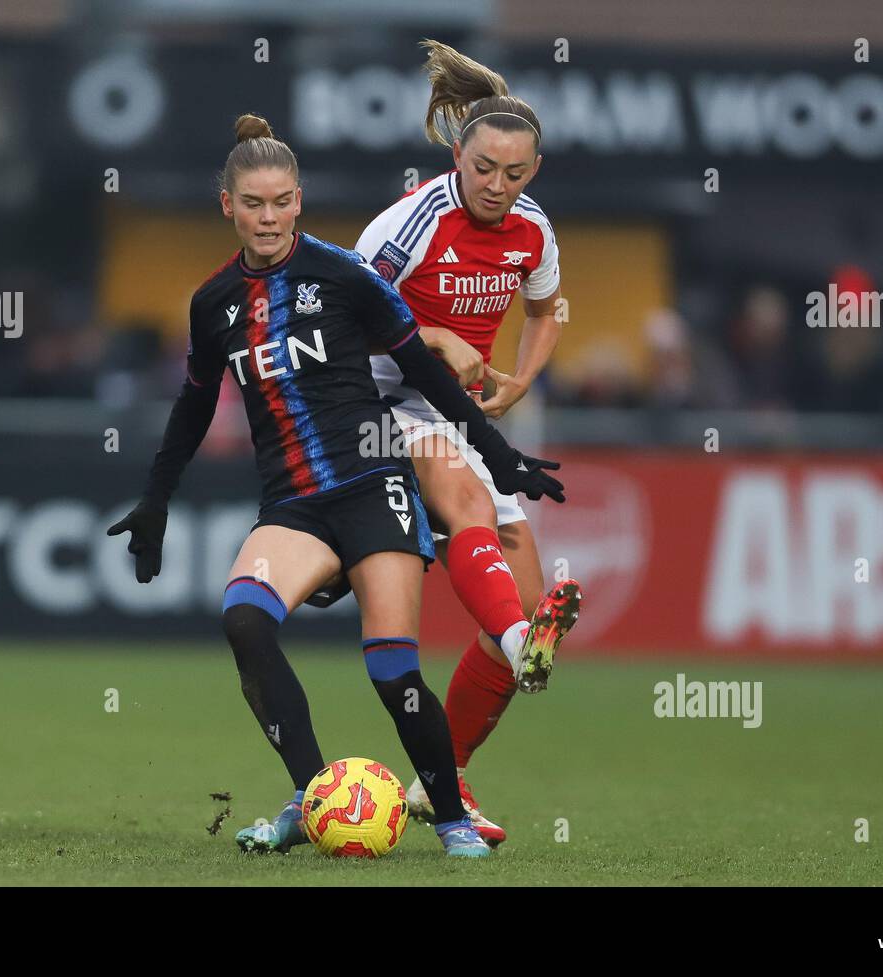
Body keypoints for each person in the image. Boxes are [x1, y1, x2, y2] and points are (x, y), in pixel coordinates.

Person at [107, 114, 567, 858]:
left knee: (392, 668)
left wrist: (501, 455)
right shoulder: (212, 302)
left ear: (299, 200)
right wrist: (157, 498)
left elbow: (422, 373)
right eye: (253, 203)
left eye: (281, 201)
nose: (268, 217)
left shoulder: (345, 276)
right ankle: (310, 795)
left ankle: (451, 816)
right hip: (293, 503)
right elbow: (194, 404)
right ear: (227, 206)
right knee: (244, 620)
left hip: (374, 485)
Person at [352, 40, 583, 844]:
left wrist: (520, 382)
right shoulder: (408, 224)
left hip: (460, 412)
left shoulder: (532, 230)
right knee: (465, 500)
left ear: (533, 171)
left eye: (514, 173)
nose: (497, 185)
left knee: (517, 599)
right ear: (457, 155)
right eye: (484, 168)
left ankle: (439, 778)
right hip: (379, 402)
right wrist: (434, 335)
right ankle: (525, 643)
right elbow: (339, 323)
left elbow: (547, 310)